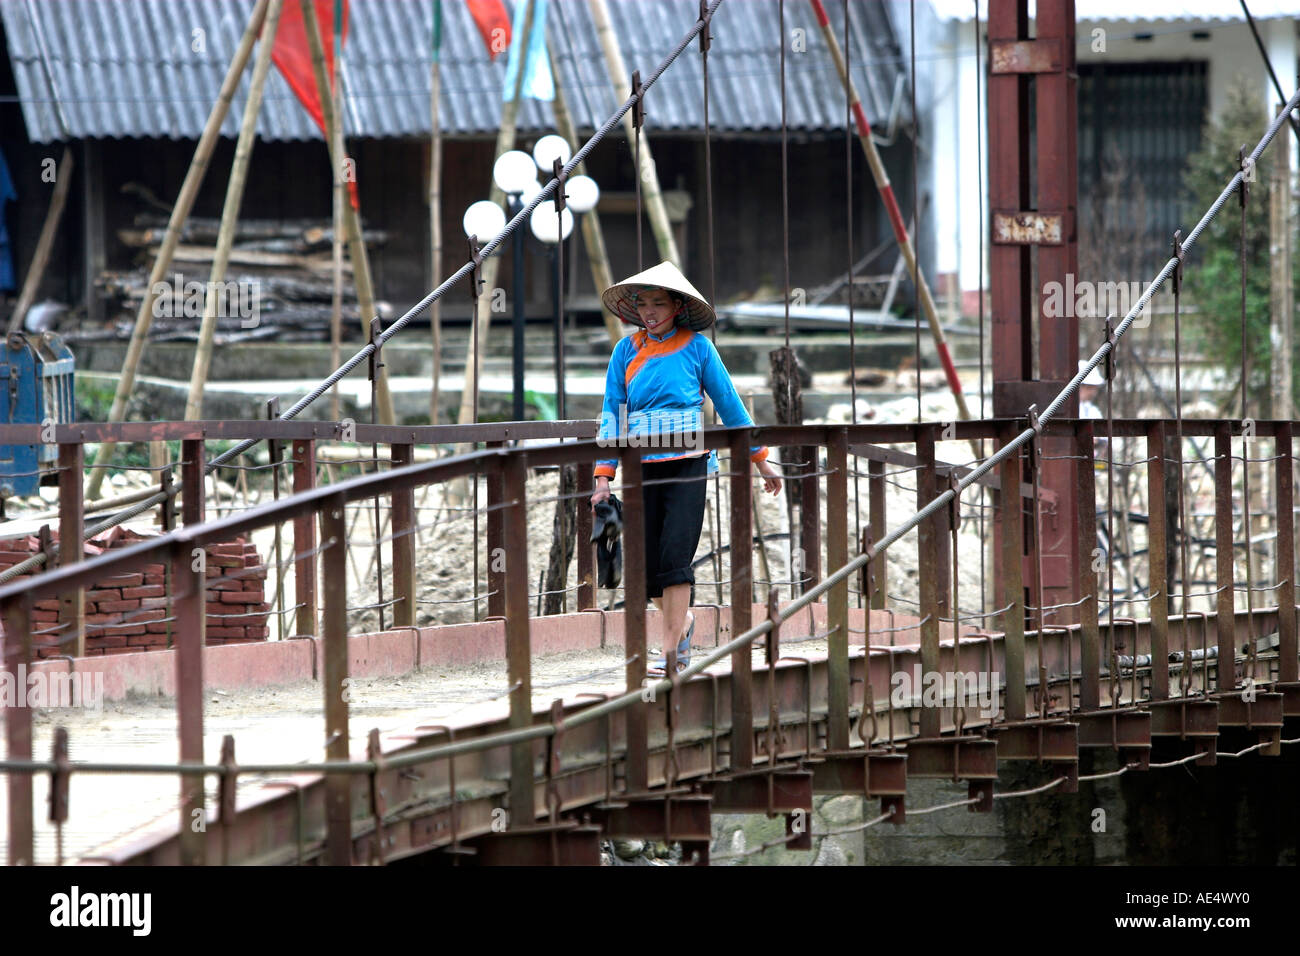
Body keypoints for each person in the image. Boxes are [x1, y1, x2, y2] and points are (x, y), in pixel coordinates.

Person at [590, 262, 783, 673]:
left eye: (659, 303)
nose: (650, 311)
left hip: (689, 463)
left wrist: (761, 460)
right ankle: (686, 624)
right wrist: (603, 475)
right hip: (641, 465)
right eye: (643, 304)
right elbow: (612, 411)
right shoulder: (625, 351)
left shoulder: (698, 347)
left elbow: (730, 405)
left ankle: (669, 653)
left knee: (676, 558)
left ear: (677, 306)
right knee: (645, 568)